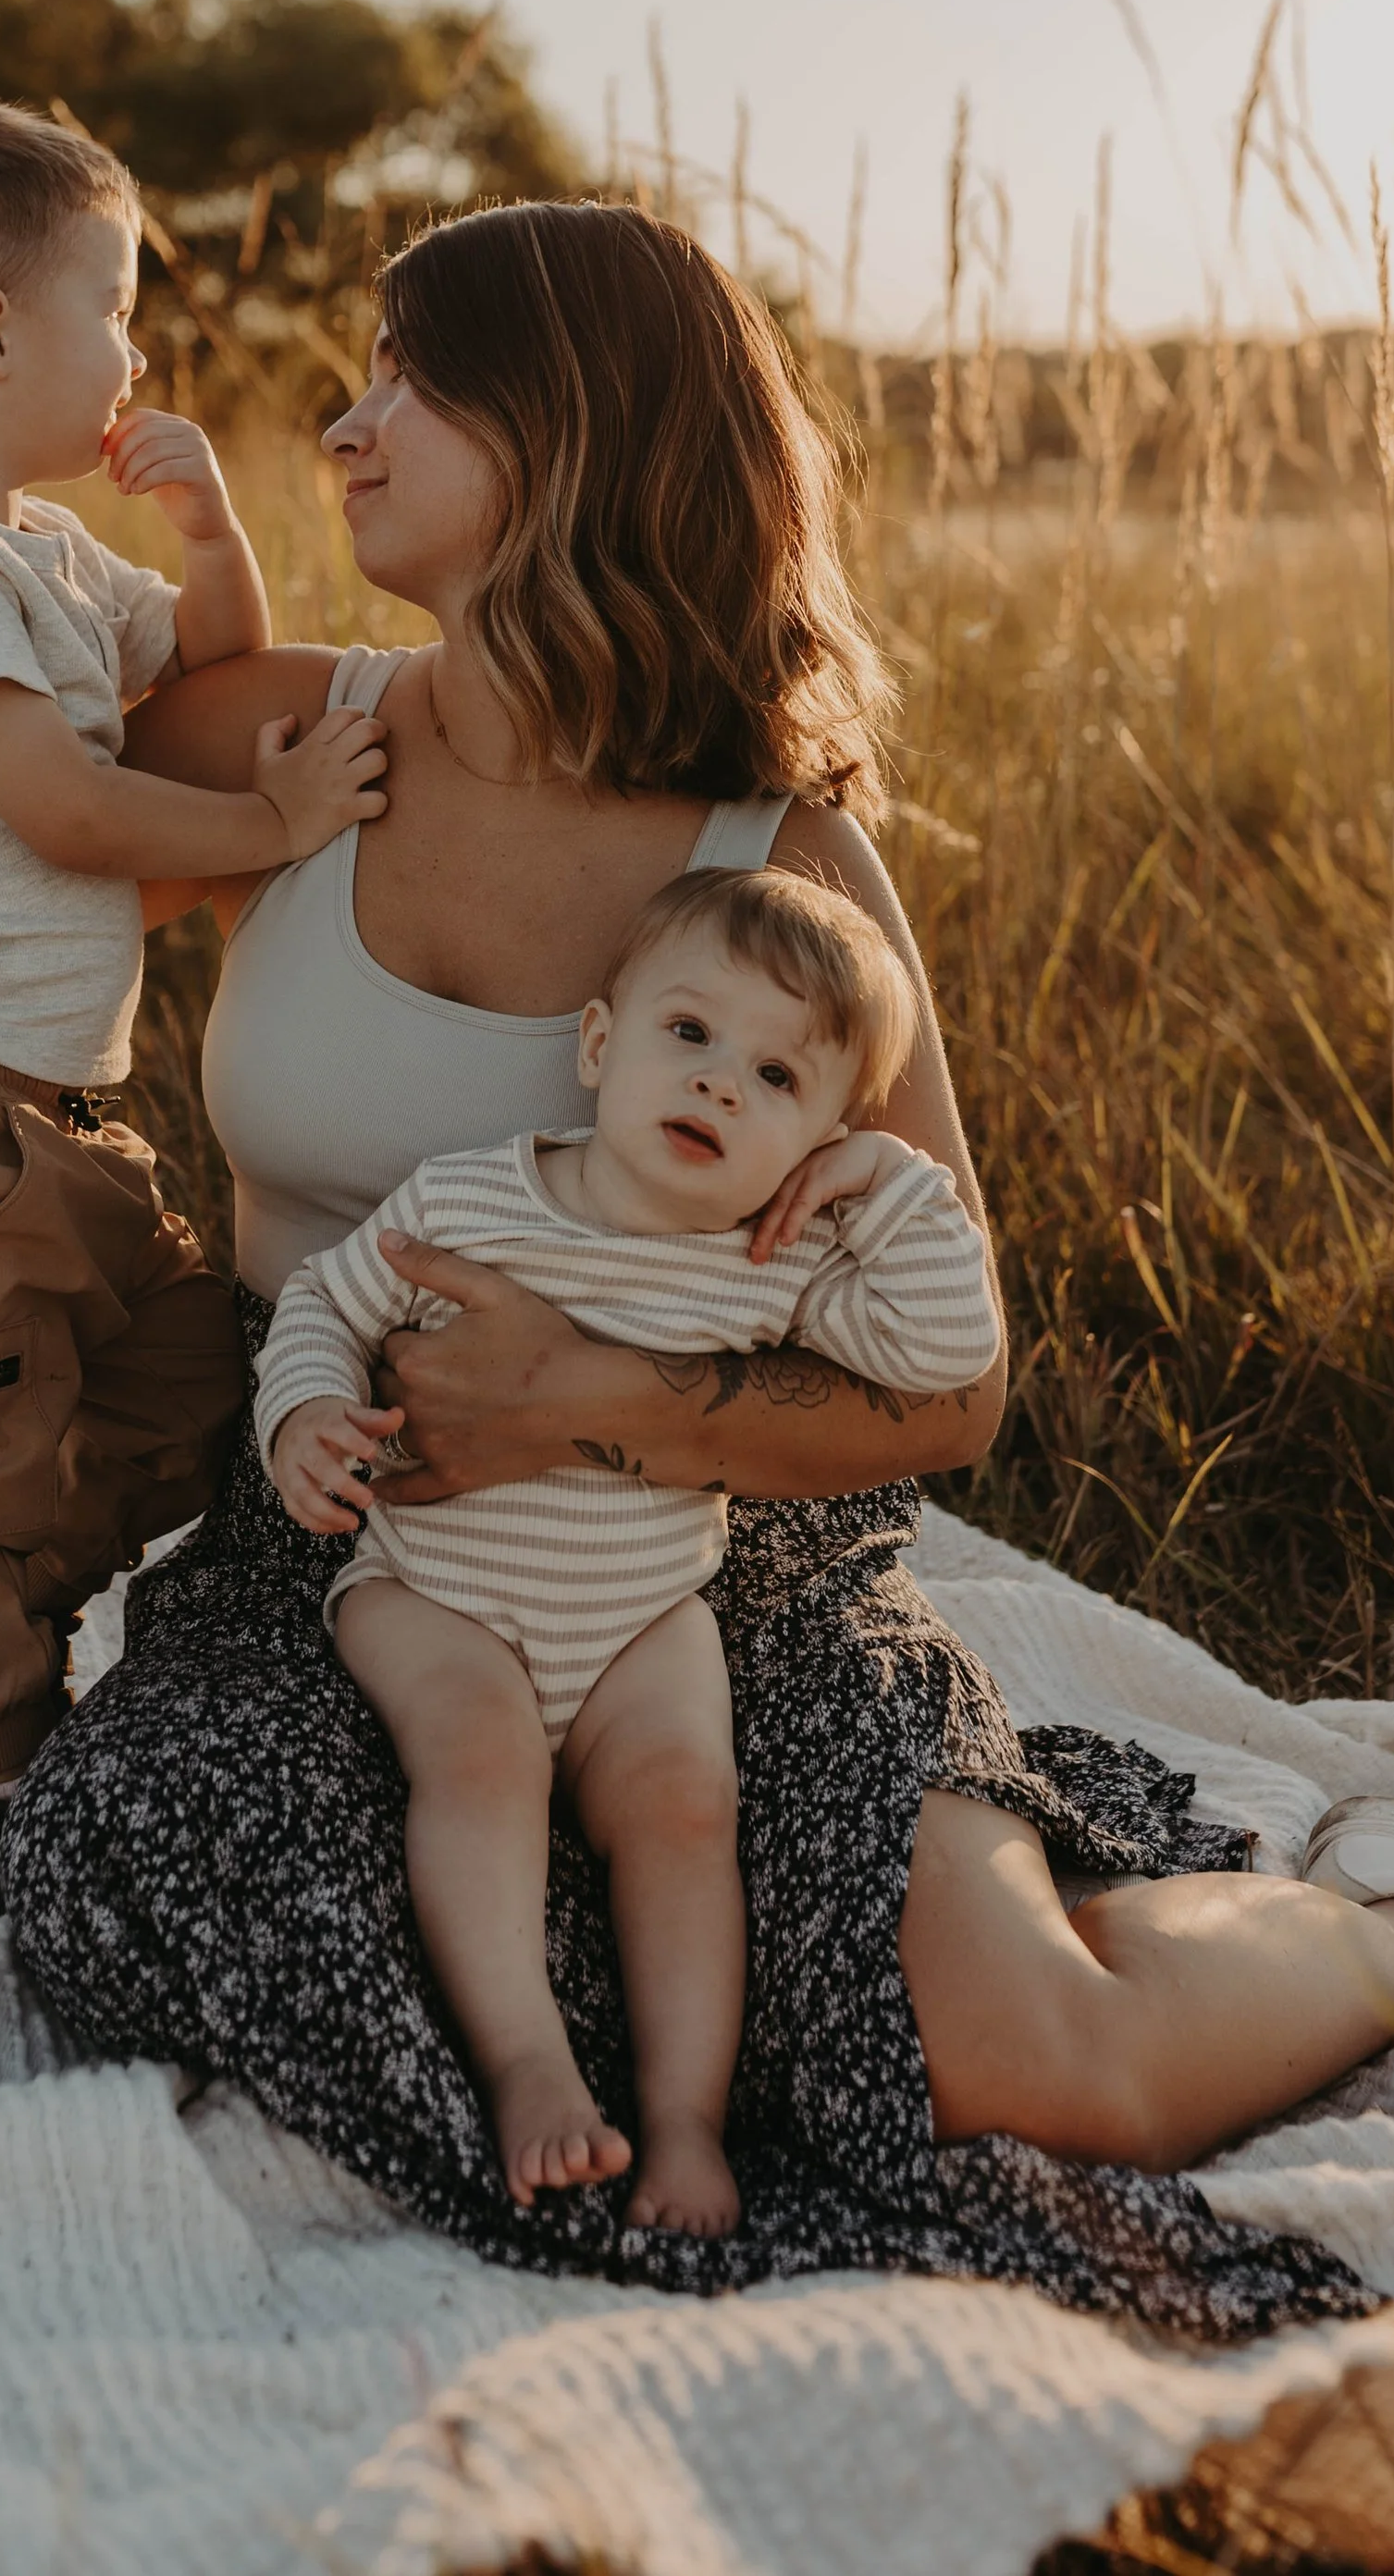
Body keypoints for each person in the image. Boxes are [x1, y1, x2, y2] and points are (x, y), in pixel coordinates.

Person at [0, 198, 1394, 2325]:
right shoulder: (295, 738)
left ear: (562, 436)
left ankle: (1381, 1931)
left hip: (701, 1563)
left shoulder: (778, 865)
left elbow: (954, 1381)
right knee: (145, 1874)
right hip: (338, 1535)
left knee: (1037, 2071)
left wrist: (596, 1403)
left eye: (403, 383)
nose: (339, 428)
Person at [0, 87, 386, 1915]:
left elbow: (203, 676)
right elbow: (57, 802)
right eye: (113, 306)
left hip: (54, 1111)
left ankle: (81, 1604)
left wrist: (206, 535)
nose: (132, 350)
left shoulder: (38, 555)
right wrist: (268, 819)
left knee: (182, 1366)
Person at [258, 863, 1001, 2235]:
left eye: (782, 1079)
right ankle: (529, 2061)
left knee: (683, 1809)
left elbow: (951, 1349)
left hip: (641, 1606)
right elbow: (326, 1299)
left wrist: (887, 1180)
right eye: (691, 1035)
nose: (722, 1084)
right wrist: (303, 1410)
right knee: (478, 1751)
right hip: (440, 1583)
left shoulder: (774, 1260)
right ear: (601, 1045)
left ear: (821, 1134)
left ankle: (680, 2122)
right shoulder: (474, 1199)